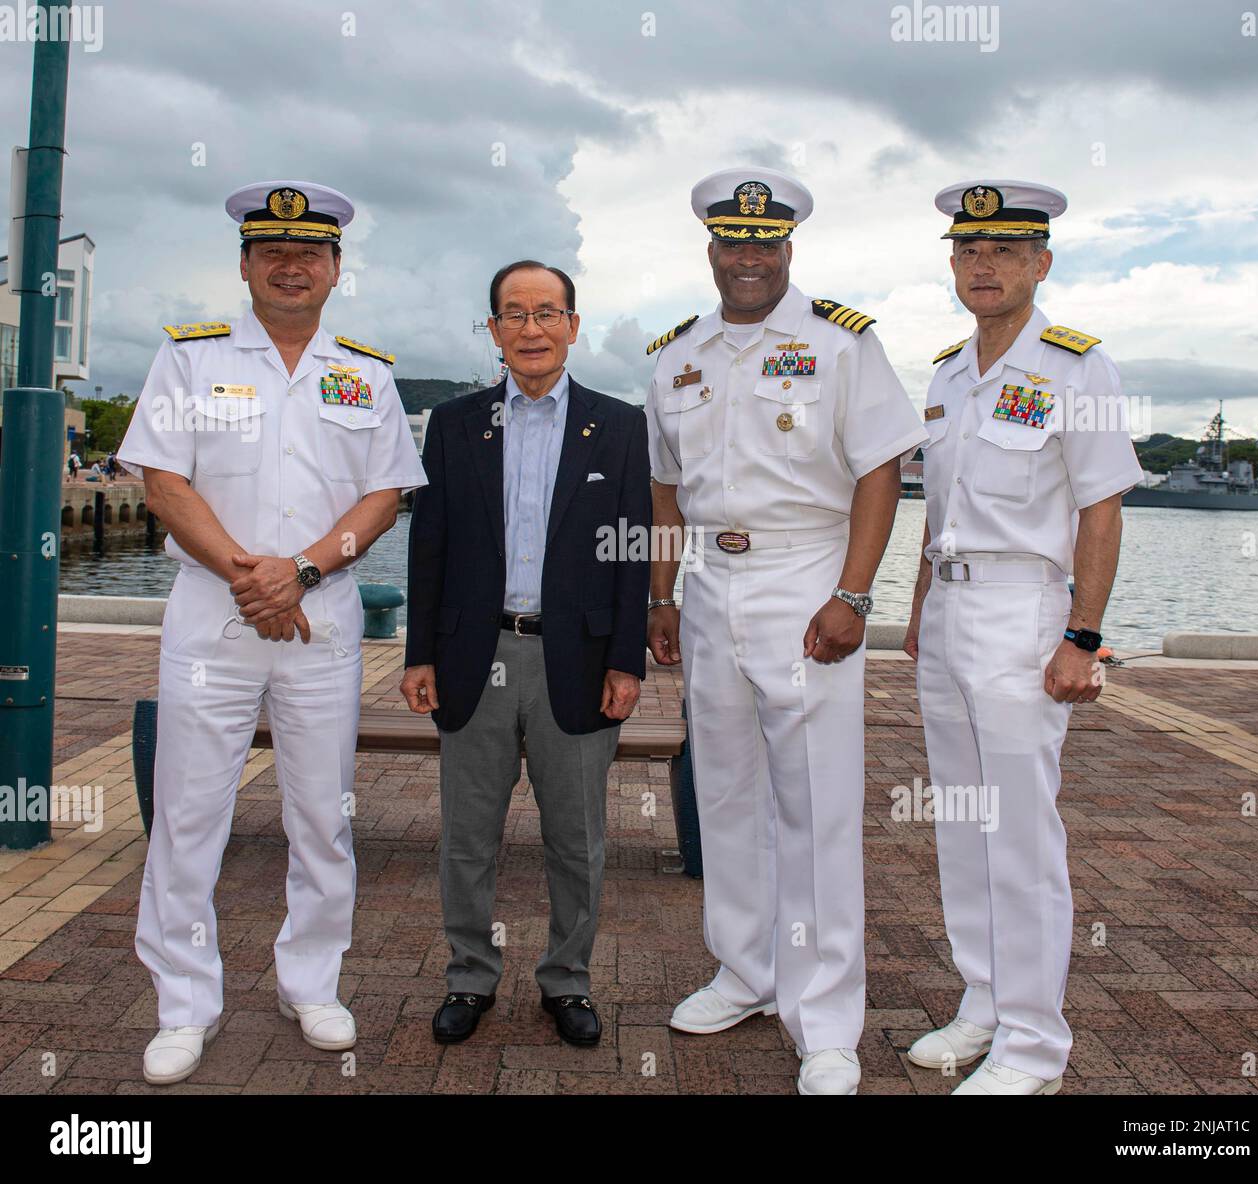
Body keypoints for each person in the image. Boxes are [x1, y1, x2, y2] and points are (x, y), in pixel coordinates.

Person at [117, 181, 426, 1085]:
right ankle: (184, 1003)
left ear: (336, 269)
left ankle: (313, 982)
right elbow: (166, 484)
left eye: (310, 254)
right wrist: (252, 575)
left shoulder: (365, 371)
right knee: (187, 815)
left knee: (322, 813)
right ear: (245, 264)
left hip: (319, 614)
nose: (292, 266)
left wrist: (303, 571)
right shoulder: (188, 358)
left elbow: (384, 496)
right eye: (273, 252)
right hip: (214, 613)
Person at [645, 168, 927, 1094]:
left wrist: (855, 595)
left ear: (789, 249)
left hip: (807, 571)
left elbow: (881, 468)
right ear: (713, 250)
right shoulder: (677, 352)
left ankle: (828, 1016)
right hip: (709, 580)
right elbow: (663, 486)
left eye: (766, 242)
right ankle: (746, 971)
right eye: (734, 241)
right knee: (724, 790)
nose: (750, 257)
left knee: (815, 806)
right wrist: (658, 594)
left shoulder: (841, 343)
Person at [902, 181, 1142, 1095]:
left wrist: (1083, 635)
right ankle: (984, 1003)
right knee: (964, 823)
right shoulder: (947, 374)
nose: (984, 266)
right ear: (953, 263)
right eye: (969, 250)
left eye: (1004, 251)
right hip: (952, 610)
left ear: (1042, 263)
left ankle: (1037, 1042)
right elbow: (938, 510)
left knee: (1022, 833)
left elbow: (1100, 508)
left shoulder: (1078, 368)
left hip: (1022, 614)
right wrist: (921, 603)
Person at [401, 260, 650, 1048]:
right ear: (493, 329)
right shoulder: (454, 423)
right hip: (474, 655)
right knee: (467, 837)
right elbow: (429, 547)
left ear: (574, 326)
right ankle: (469, 979)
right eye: (514, 313)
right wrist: (418, 653)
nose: (531, 328)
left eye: (548, 312)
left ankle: (567, 983)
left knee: (576, 839)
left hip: (573, 663)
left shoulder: (619, 424)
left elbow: (632, 549)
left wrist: (627, 661)